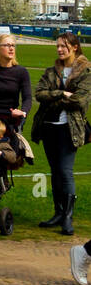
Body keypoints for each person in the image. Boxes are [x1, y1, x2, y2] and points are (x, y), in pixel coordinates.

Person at [33, 32, 91, 236]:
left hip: (70, 129)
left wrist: (54, 98)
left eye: (63, 46)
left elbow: (80, 101)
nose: (59, 49)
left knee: (66, 171)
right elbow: (39, 94)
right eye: (57, 46)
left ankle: (67, 216)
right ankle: (58, 213)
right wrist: (61, 93)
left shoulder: (86, 71)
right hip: (49, 127)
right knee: (55, 170)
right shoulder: (51, 71)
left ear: (74, 47)